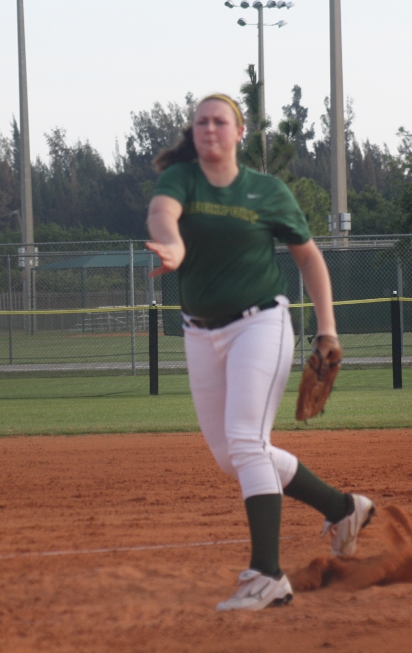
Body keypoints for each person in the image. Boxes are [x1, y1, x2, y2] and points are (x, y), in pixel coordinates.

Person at [145, 93, 374, 612]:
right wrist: (174, 248)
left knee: (248, 441)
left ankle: (268, 576)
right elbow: (164, 214)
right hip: (200, 331)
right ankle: (344, 509)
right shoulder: (182, 179)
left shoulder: (265, 191)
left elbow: (309, 258)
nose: (209, 129)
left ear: (239, 132)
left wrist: (328, 328)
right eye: (201, 121)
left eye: (219, 121)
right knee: (233, 455)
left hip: (260, 324)